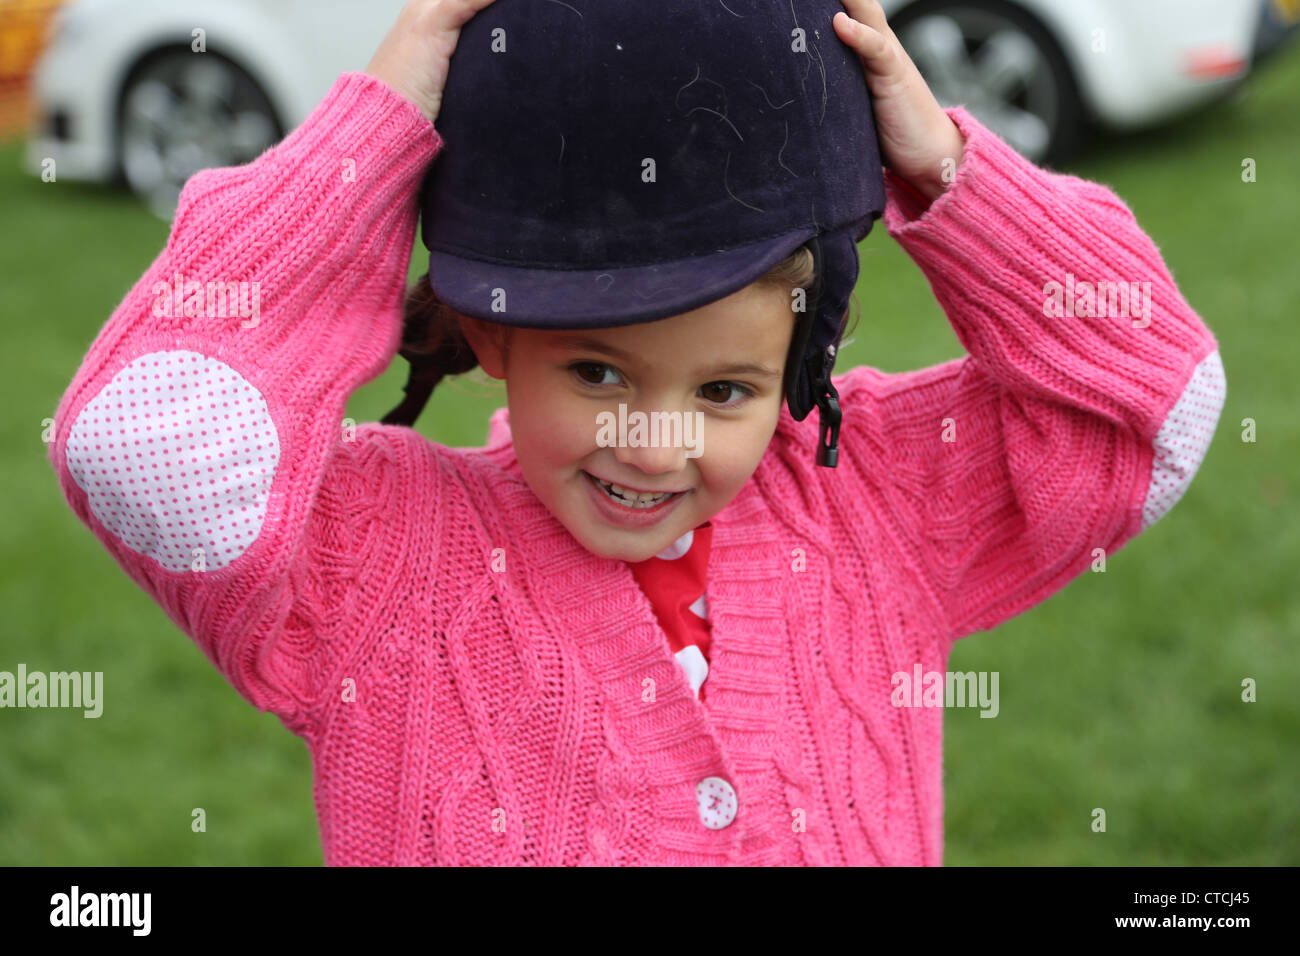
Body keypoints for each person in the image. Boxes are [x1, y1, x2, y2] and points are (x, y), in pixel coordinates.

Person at [47, 0, 1225, 865]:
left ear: (801, 360)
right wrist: (366, 147)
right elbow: (150, 445)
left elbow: (1154, 400)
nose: (657, 442)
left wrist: (944, 169)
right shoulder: (378, 557)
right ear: (490, 334)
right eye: (600, 370)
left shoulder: (870, 498)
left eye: (727, 391)